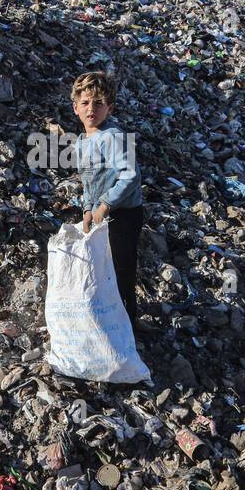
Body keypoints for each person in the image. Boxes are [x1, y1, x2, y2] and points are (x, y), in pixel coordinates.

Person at [71, 71, 144, 330]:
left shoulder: (112, 136)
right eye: (86, 102)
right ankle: (108, 322)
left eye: (99, 103)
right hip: (104, 213)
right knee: (103, 271)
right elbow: (88, 180)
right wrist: (88, 209)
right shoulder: (81, 142)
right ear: (76, 107)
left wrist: (105, 204)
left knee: (121, 271)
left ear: (109, 108)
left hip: (124, 215)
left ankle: (128, 328)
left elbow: (131, 175)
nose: (92, 108)